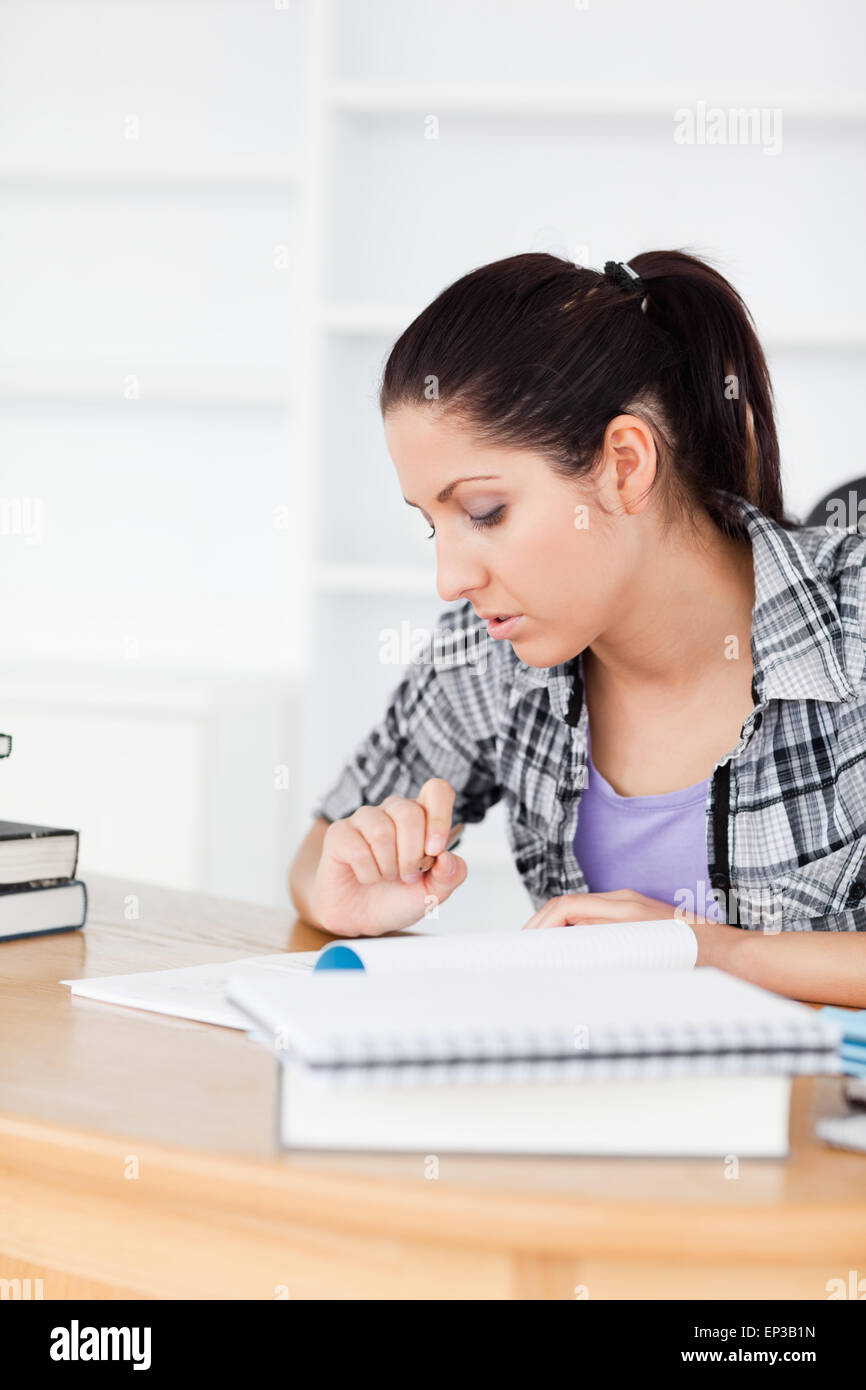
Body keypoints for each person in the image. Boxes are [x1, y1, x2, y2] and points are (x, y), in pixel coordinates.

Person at [289, 249, 866, 1007]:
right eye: (433, 525)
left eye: (485, 512)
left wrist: (709, 950)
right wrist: (343, 891)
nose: (451, 579)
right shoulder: (490, 654)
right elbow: (318, 852)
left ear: (624, 466)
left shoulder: (850, 624)